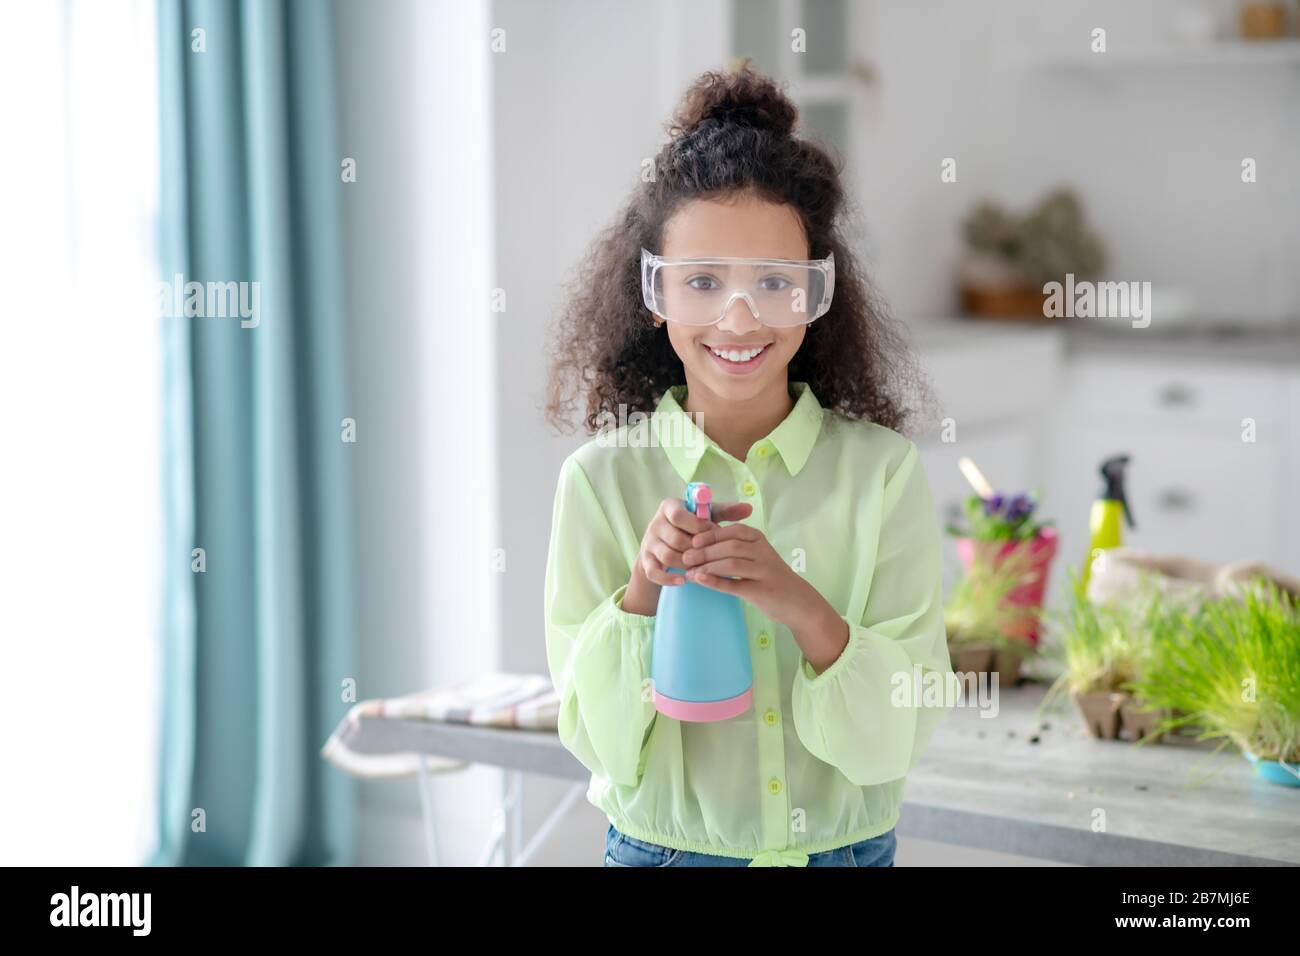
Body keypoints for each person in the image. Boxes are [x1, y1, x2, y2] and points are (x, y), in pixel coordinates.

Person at [542, 62, 954, 867]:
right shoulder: (600, 482)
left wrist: (799, 604)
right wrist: (642, 592)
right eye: (702, 281)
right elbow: (598, 742)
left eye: (774, 281)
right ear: (654, 295)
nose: (739, 317)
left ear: (817, 294)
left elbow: (894, 740)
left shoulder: (882, 474)